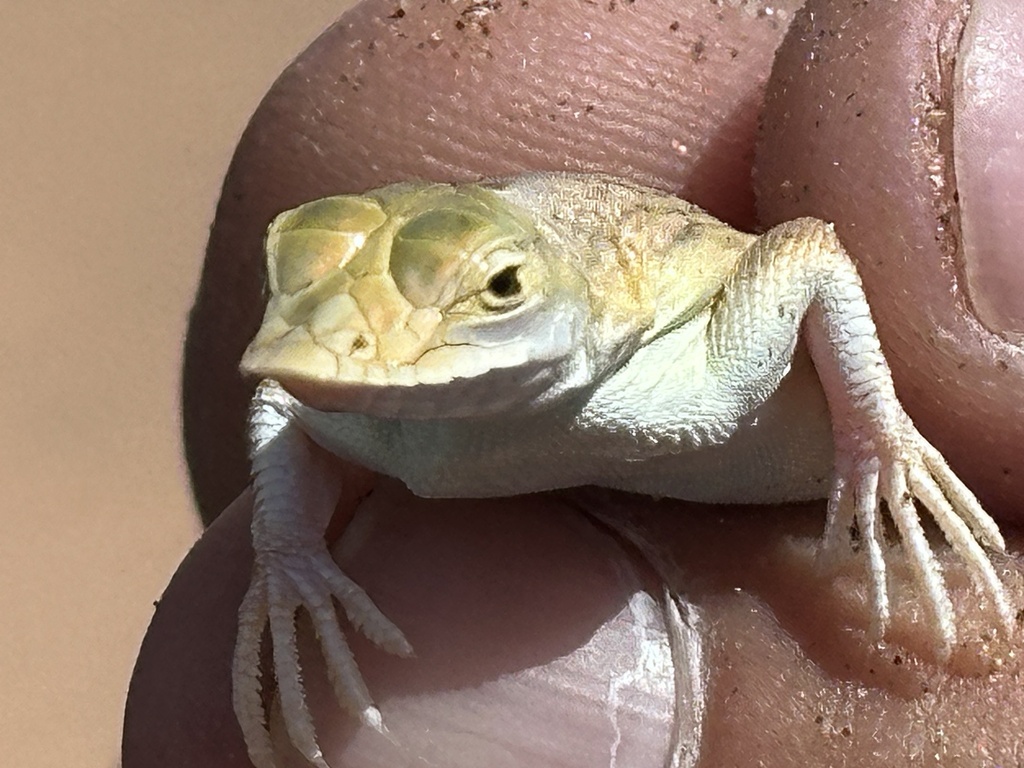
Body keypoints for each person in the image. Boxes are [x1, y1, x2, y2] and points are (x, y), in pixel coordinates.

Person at [123, 1, 1024, 765]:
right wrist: (291, 551)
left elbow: (811, 256)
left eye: (500, 291)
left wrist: (877, 435)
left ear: (557, 300)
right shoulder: (387, 416)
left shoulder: (706, 372)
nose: (347, 355)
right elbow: (287, 394)